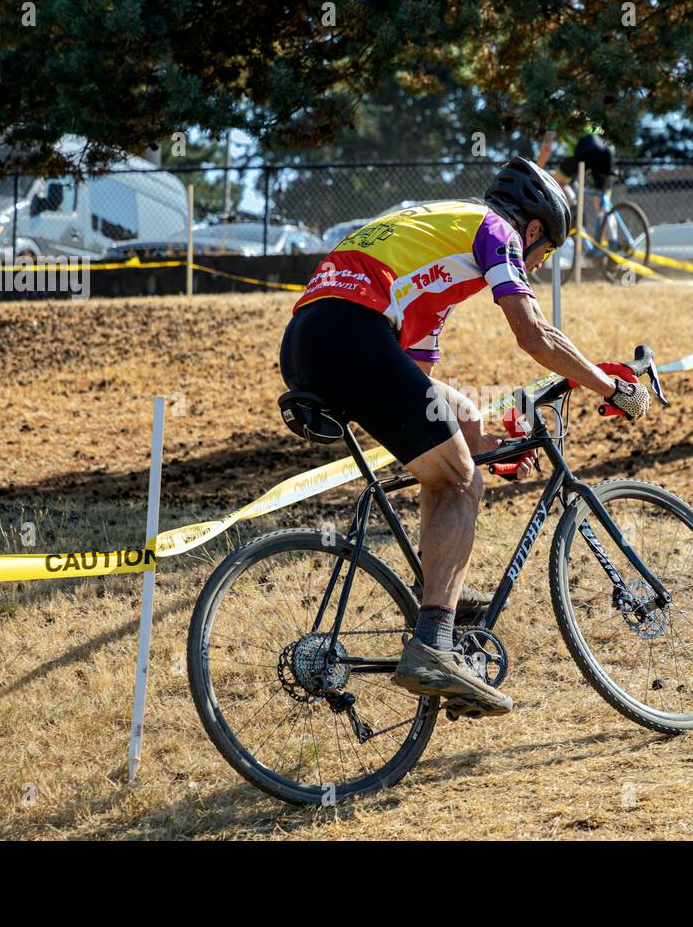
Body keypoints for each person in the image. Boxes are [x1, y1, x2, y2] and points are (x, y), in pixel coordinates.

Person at [278, 157, 651, 717]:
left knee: (459, 450)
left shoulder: (437, 251)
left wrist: (485, 449)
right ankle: (432, 646)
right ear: (531, 231)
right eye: (544, 253)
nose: (538, 263)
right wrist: (607, 385)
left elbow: (419, 387)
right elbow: (534, 334)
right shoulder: (494, 229)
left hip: (313, 340)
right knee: (457, 480)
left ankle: (440, 620)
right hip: (353, 335)